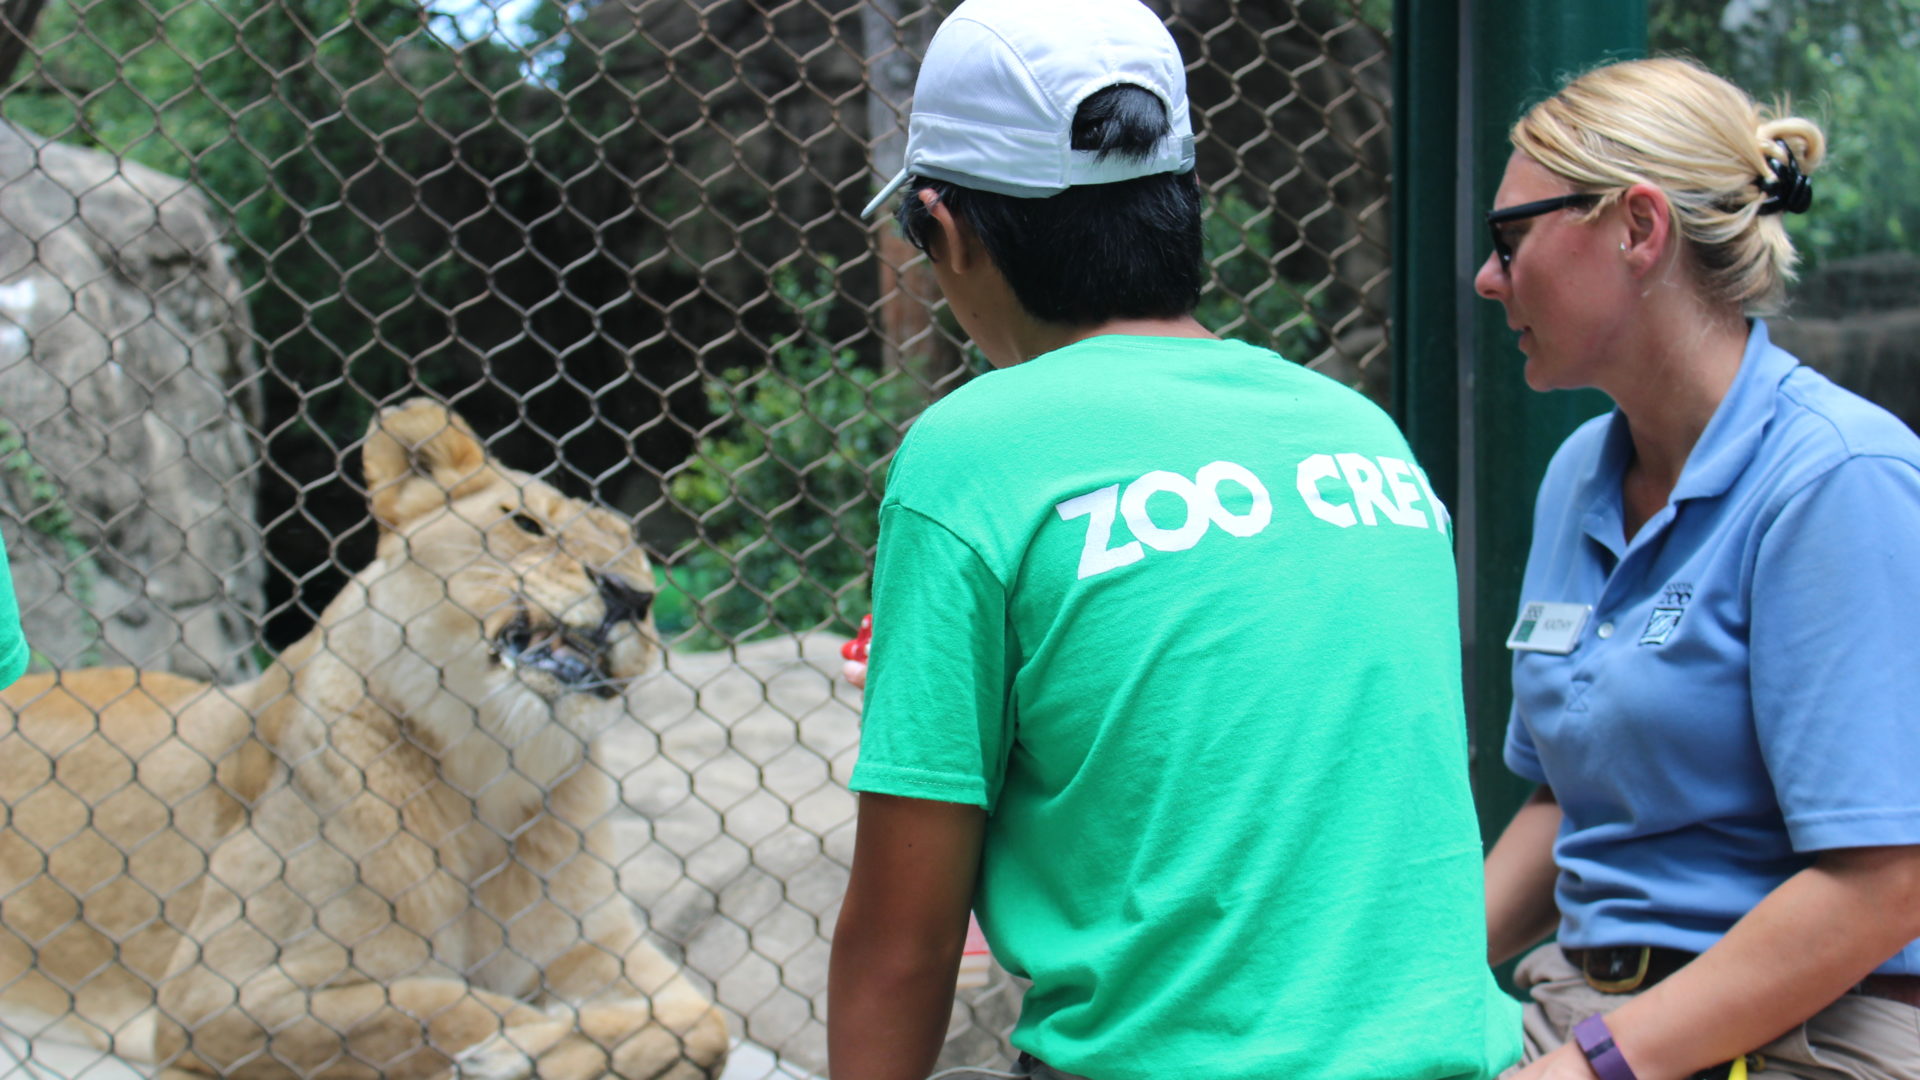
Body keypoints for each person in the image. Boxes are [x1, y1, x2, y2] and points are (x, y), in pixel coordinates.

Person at [827, 1, 1521, 1078]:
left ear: (946, 229)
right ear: (1183, 201)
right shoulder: (1357, 431)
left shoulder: (973, 454)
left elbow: (903, 946)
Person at [1474, 57, 1920, 1080]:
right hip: (1582, 1009)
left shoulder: (1840, 478)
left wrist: (1594, 1067)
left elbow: (1885, 880)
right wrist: (1406, 976)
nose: (1487, 277)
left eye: (1511, 238)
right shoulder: (1579, 472)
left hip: (1814, 1032)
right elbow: (1563, 804)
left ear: (1638, 228)